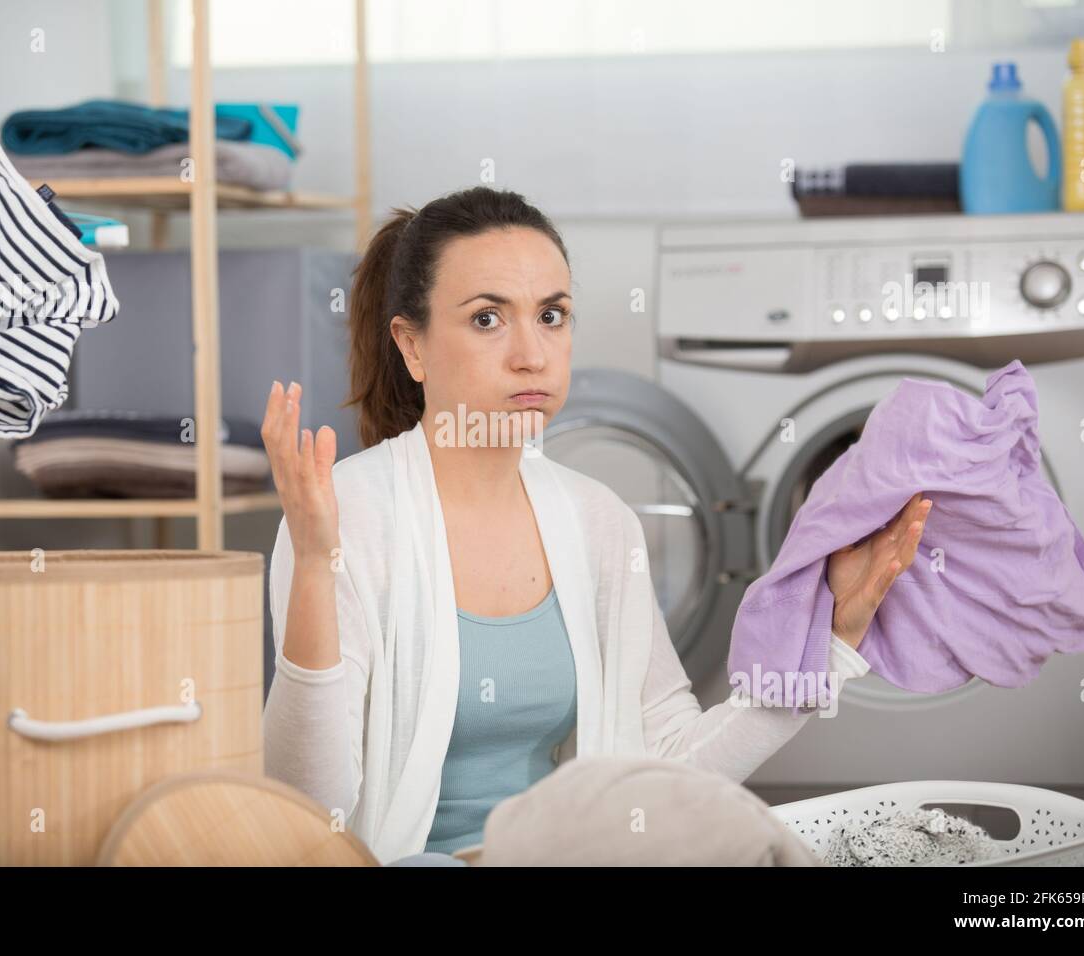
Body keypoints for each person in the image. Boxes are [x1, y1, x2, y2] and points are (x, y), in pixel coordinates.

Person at [260, 186, 933, 865]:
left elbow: (672, 767)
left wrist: (833, 642)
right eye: (488, 319)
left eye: (552, 315)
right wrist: (317, 566)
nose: (533, 353)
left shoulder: (598, 519)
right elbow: (311, 812)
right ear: (412, 346)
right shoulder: (343, 513)